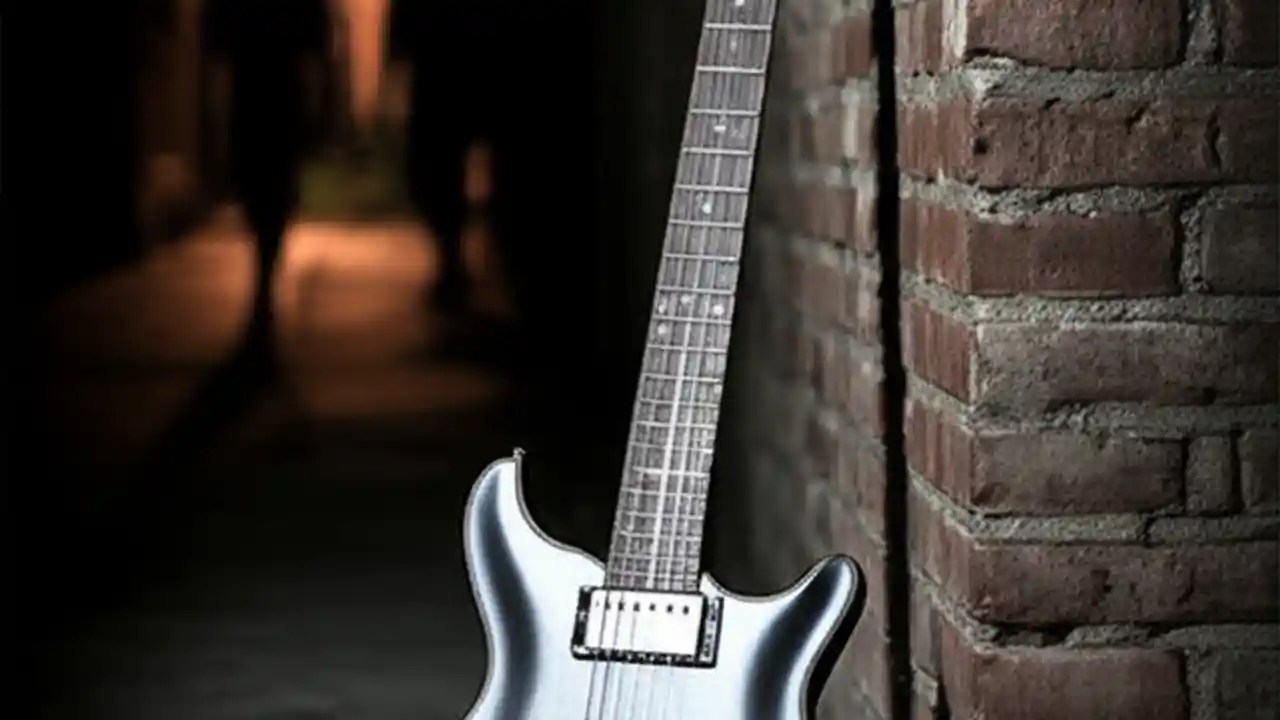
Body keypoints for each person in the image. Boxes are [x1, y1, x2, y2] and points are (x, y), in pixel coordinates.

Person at [203, 0, 331, 362]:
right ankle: (264, 285)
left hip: (262, 93)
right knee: (266, 191)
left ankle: (263, 288)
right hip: (270, 93)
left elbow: (217, 45)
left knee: (264, 190)